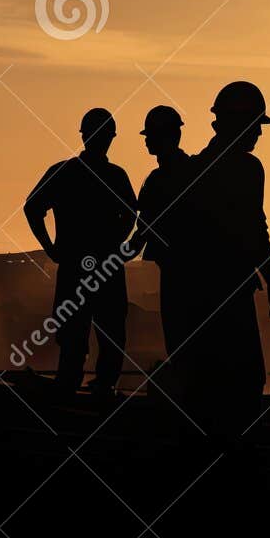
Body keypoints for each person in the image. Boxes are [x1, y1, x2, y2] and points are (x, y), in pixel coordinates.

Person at [179, 81, 270, 429]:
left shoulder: (195, 169)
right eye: (255, 125)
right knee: (245, 379)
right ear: (239, 123)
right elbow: (255, 232)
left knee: (207, 382)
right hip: (229, 290)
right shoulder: (247, 169)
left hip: (197, 295)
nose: (259, 133)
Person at [24, 108, 137, 397]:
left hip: (76, 265)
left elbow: (32, 208)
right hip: (105, 266)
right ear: (110, 137)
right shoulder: (115, 176)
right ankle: (100, 384)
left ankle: (71, 381)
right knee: (108, 330)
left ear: (84, 135)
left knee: (76, 331)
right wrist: (115, 244)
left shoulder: (64, 173)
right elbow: (130, 216)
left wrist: (51, 247)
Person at [130, 105, 197, 366]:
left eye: (150, 136)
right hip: (188, 271)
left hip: (179, 273)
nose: (146, 141)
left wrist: (109, 259)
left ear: (166, 137)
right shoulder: (193, 172)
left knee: (179, 339)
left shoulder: (158, 181)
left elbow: (141, 235)